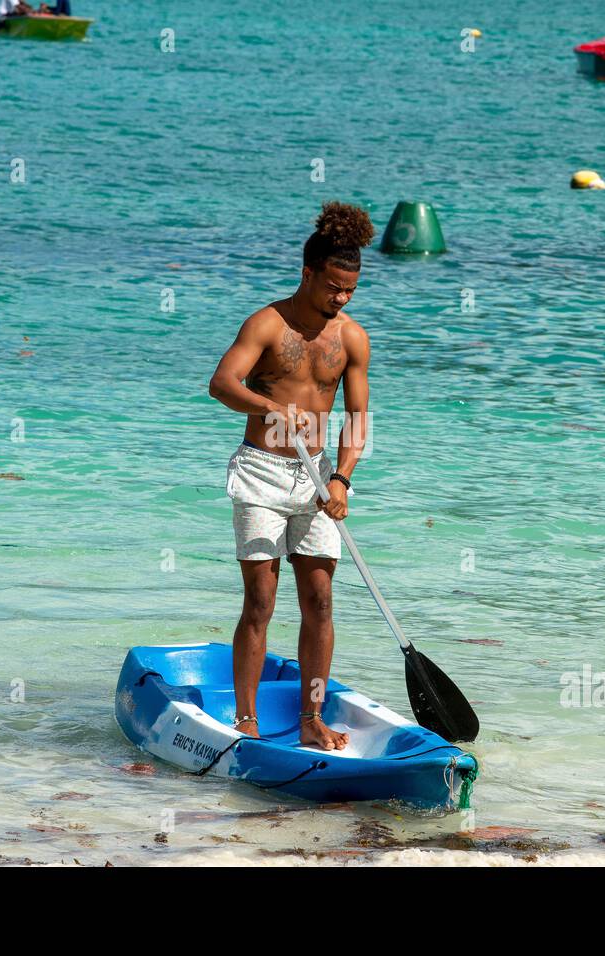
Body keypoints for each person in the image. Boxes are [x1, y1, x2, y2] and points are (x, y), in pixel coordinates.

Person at [208, 202, 375, 751]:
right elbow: (222, 383)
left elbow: (358, 419)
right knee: (260, 600)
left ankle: (311, 718)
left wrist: (342, 480)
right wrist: (268, 407)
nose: (341, 298)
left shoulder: (351, 338)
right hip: (261, 472)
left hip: (317, 478)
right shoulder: (266, 323)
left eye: (349, 289)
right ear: (307, 274)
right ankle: (247, 721)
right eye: (332, 286)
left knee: (321, 600)